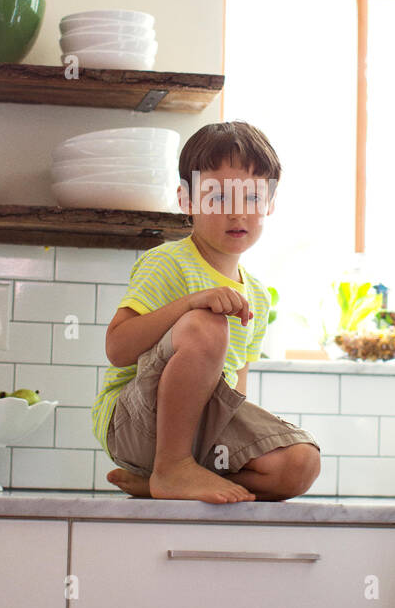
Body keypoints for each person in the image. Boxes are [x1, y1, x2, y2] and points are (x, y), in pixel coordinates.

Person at [90, 121, 321, 503]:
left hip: (204, 432)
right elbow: (117, 349)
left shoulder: (259, 296)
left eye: (251, 198)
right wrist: (190, 304)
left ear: (270, 204)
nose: (237, 213)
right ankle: (171, 466)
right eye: (218, 197)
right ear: (186, 200)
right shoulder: (169, 263)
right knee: (206, 324)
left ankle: (163, 480)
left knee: (300, 465)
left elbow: (236, 393)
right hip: (136, 424)